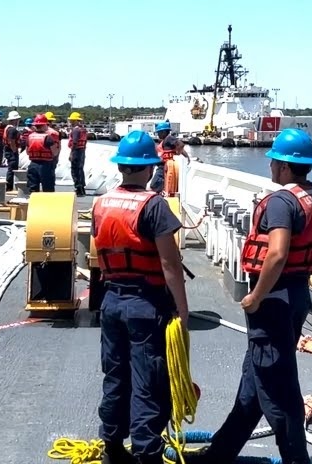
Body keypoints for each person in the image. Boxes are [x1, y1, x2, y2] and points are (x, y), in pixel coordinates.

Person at [189, 128, 312, 464]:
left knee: (278, 390)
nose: (270, 165)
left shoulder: (280, 203)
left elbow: (276, 254)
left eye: (274, 160)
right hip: (297, 295)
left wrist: (255, 297)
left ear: (285, 166)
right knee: (255, 383)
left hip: (273, 300)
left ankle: (296, 458)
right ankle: (219, 454)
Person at [93, 130, 190, 464]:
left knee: (115, 375)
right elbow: (170, 264)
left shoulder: (102, 203)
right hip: (145, 305)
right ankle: (147, 452)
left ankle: (112, 446)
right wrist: (182, 310)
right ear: (150, 168)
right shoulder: (154, 206)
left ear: (121, 166)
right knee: (148, 379)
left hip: (111, 301)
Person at [148, 121, 190, 196]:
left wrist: (178, 153)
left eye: (159, 132)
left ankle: (159, 194)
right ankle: (161, 192)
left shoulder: (169, 138)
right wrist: (187, 157)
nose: (158, 134)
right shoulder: (166, 141)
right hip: (164, 165)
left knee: (154, 184)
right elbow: (179, 147)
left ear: (164, 132)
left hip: (164, 166)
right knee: (157, 183)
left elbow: (181, 145)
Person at [25, 112, 61, 193]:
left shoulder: (30, 137)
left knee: (33, 188)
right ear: (44, 125)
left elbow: (27, 152)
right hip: (46, 165)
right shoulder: (48, 137)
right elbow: (55, 152)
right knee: (48, 188)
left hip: (33, 164)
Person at [67, 111, 89, 196]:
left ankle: (79, 189)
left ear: (76, 121)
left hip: (76, 151)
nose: (71, 122)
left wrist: (71, 154)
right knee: (80, 169)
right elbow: (85, 141)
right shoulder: (83, 130)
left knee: (75, 170)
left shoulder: (76, 130)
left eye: (72, 120)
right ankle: (82, 188)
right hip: (82, 151)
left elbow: (75, 142)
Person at [1, 110, 23, 192]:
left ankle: (9, 186)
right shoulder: (12, 130)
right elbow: (11, 141)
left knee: (11, 168)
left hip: (8, 150)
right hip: (11, 151)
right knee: (12, 169)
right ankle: (9, 187)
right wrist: (14, 151)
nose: (18, 121)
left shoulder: (7, 128)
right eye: (17, 119)